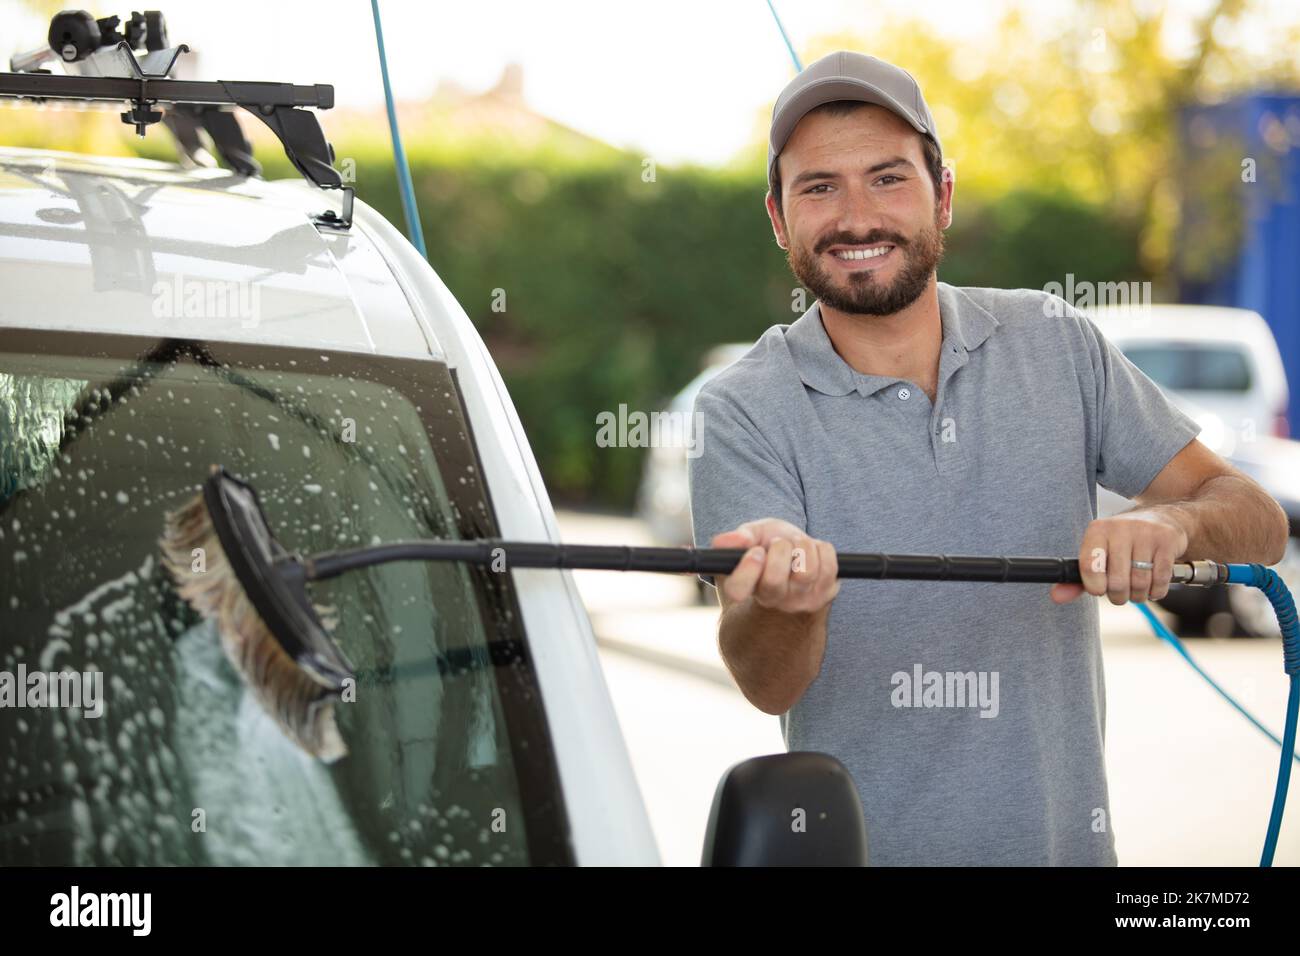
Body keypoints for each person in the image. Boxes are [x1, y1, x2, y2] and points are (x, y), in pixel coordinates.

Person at [687, 50, 1290, 866]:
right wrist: (790, 604)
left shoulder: (1054, 342)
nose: (856, 216)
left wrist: (1171, 526)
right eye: (819, 187)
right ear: (777, 217)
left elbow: (1255, 523)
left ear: (942, 195)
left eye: (888, 178)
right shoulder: (742, 409)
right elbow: (767, 682)